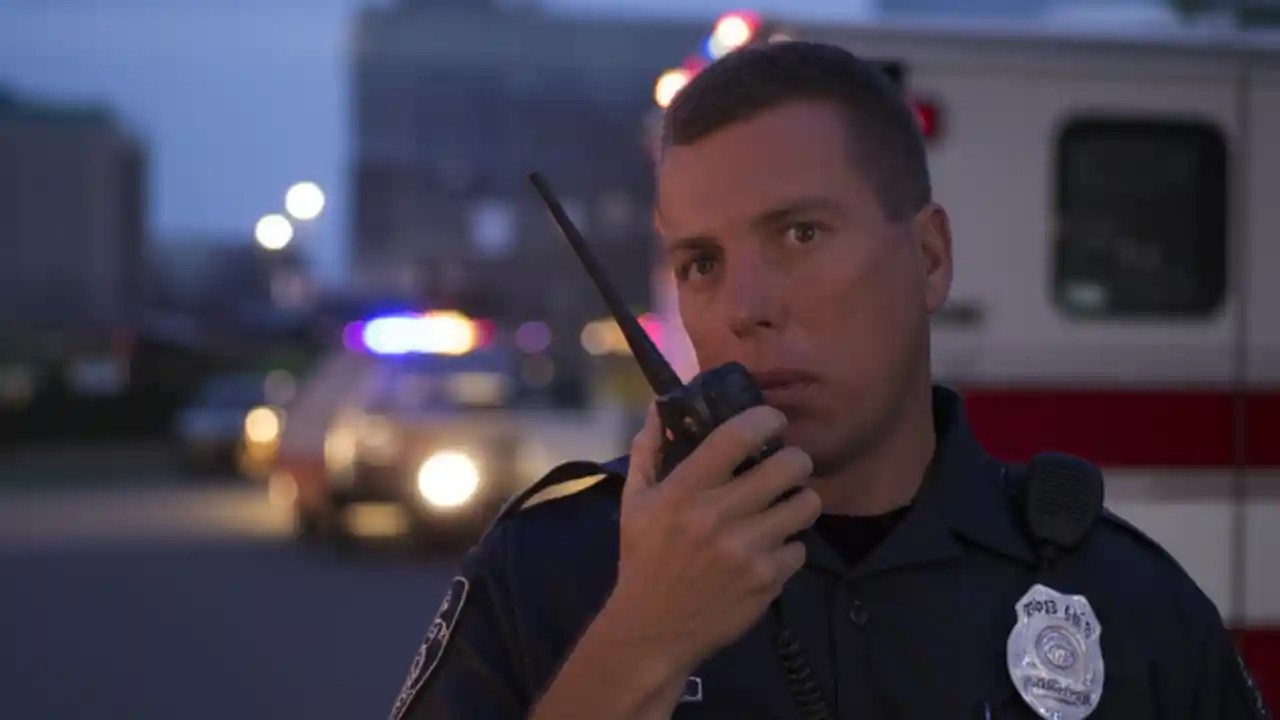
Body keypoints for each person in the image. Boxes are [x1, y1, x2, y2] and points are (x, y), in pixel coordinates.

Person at [387, 41, 1272, 719]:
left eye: (800, 235)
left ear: (929, 259)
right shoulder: (547, 574)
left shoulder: (1126, 604)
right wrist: (640, 644)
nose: (745, 309)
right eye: (701, 262)